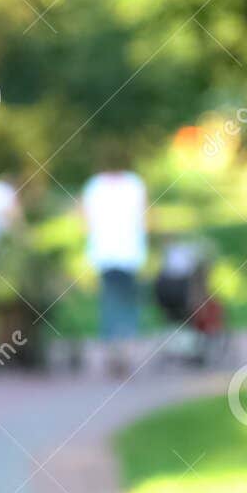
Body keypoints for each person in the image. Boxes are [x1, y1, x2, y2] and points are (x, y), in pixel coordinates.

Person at [79, 155, 148, 379]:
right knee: (127, 303)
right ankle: (125, 350)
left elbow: (85, 218)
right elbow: (145, 216)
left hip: (105, 252)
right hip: (130, 252)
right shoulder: (134, 184)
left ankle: (113, 350)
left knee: (110, 302)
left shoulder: (95, 186)